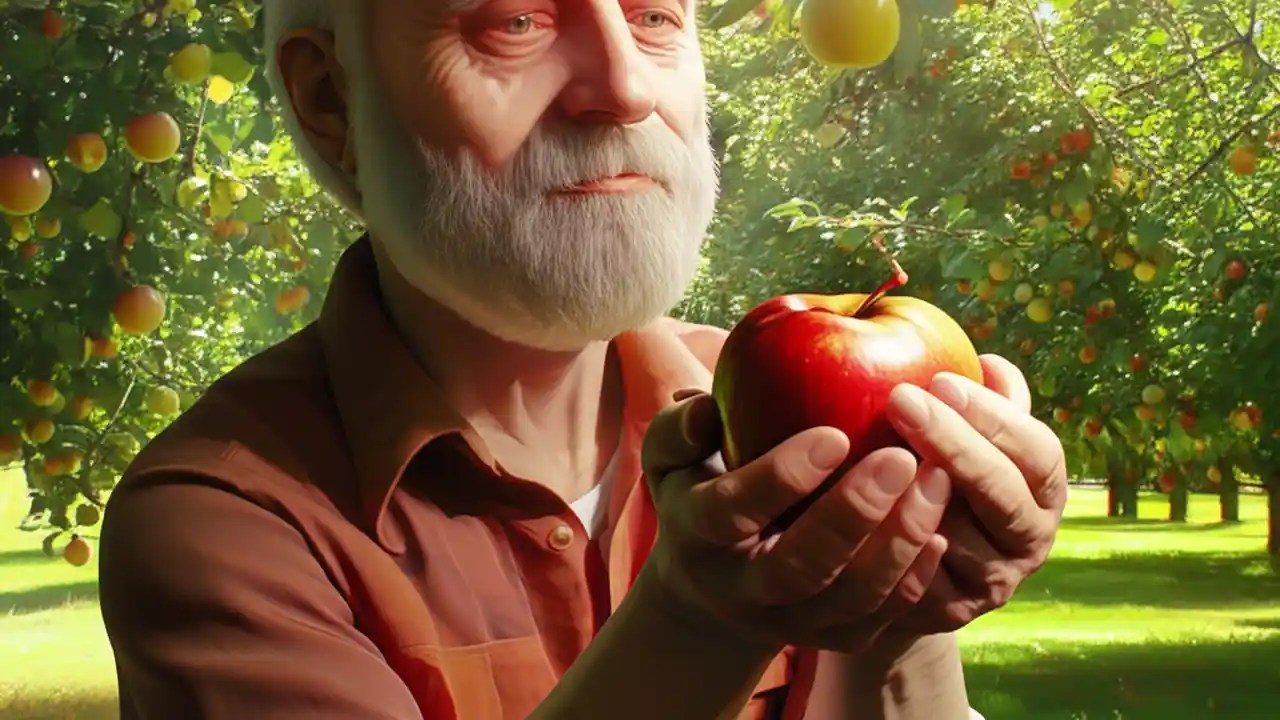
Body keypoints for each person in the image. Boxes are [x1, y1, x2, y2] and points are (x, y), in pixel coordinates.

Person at [97, 1, 1068, 718]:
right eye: (512, 21)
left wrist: (902, 612)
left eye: (653, 17)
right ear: (329, 98)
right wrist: (698, 622)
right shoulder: (224, 522)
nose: (625, 88)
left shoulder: (785, 418)